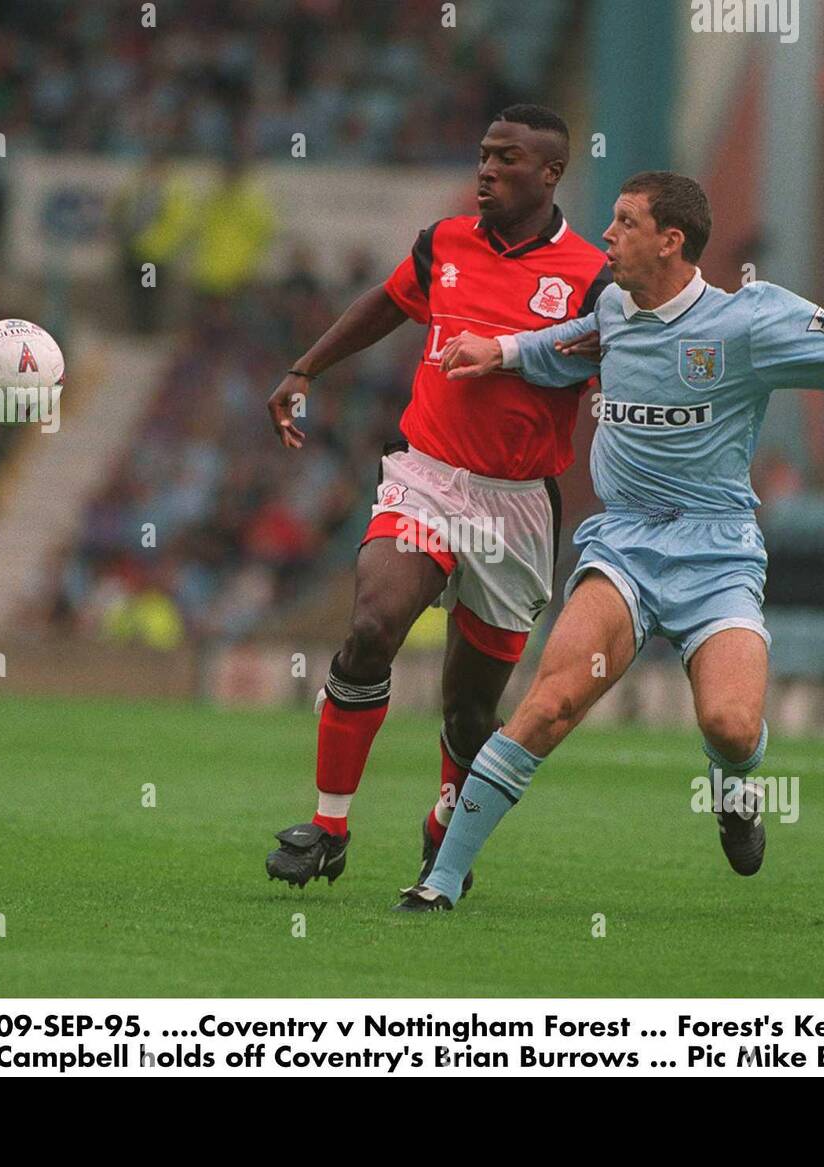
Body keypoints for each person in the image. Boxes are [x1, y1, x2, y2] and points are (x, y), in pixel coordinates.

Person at [397, 170, 824, 911]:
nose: (605, 236)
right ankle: (439, 882)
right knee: (546, 707)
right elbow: (568, 343)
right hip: (624, 543)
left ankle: (735, 790)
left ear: (670, 240)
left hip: (717, 555)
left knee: (731, 724)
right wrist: (505, 354)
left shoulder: (753, 322)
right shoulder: (614, 306)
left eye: (623, 223)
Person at [264, 105, 610, 892]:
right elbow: (386, 304)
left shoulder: (593, 278)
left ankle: (444, 822)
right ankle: (326, 826)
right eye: (484, 155)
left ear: (551, 174)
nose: (487, 169)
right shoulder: (443, 241)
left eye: (508, 159)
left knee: (468, 712)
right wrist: (303, 369)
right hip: (425, 473)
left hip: (517, 505)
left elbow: (618, 379)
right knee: (371, 625)